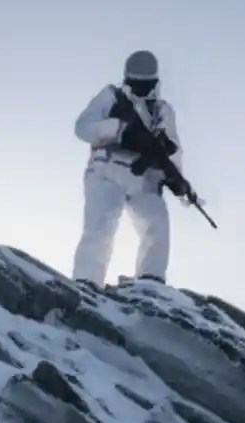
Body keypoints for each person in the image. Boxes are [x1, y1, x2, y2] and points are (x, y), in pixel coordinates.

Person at [71, 50, 192, 286]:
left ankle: (151, 281)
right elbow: (82, 127)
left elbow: (173, 149)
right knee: (101, 225)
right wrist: (119, 130)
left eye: (145, 85)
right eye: (135, 84)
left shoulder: (163, 111)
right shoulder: (111, 96)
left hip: (144, 178)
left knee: (157, 222)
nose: (140, 90)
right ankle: (87, 282)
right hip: (106, 169)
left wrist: (178, 181)